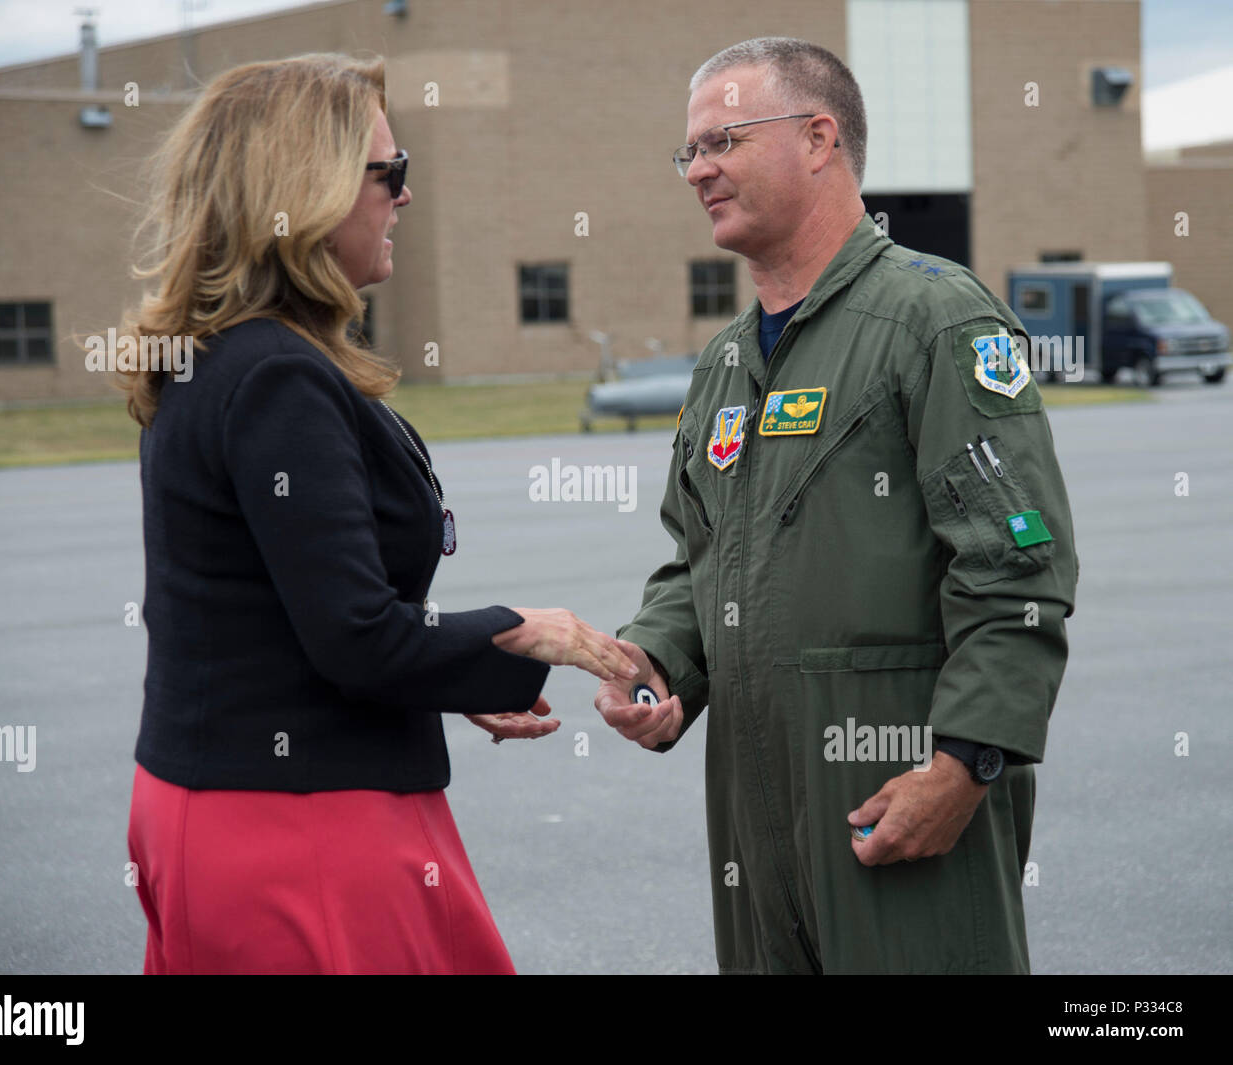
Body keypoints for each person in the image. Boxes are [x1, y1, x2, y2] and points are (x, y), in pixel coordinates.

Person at [120, 52, 638, 975]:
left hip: (229, 797)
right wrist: (527, 630)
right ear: (303, 188)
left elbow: (289, 613)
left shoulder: (222, 357)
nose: (404, 196)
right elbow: (354, 635)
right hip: (298, 820)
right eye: (389, 173)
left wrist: (461, 669)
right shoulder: (277, 374)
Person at [594, 37, 1078, 974]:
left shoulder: (935, 320)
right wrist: (658, 659)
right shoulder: (726, 362)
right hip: (755, 814)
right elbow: (696, 559)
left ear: (819, 139)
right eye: (688, 151)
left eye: (723, 140)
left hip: (898, 794)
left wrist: (966, 764)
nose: (698, 169)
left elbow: (1017, 568)